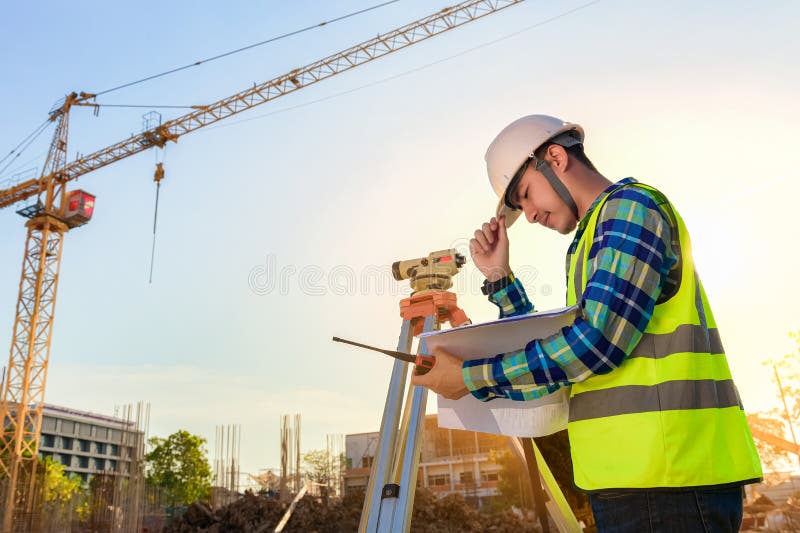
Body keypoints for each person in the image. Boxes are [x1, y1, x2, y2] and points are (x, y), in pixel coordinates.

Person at [411, 114, 762, 532]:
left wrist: (470, 377)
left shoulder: (631, 209)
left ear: (555, 158)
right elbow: (561, 352)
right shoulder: (590, 239)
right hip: (635, 482)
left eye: (525, 195)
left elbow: (595, 343)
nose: (530, 214)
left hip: (671, 481)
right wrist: (499, 278)